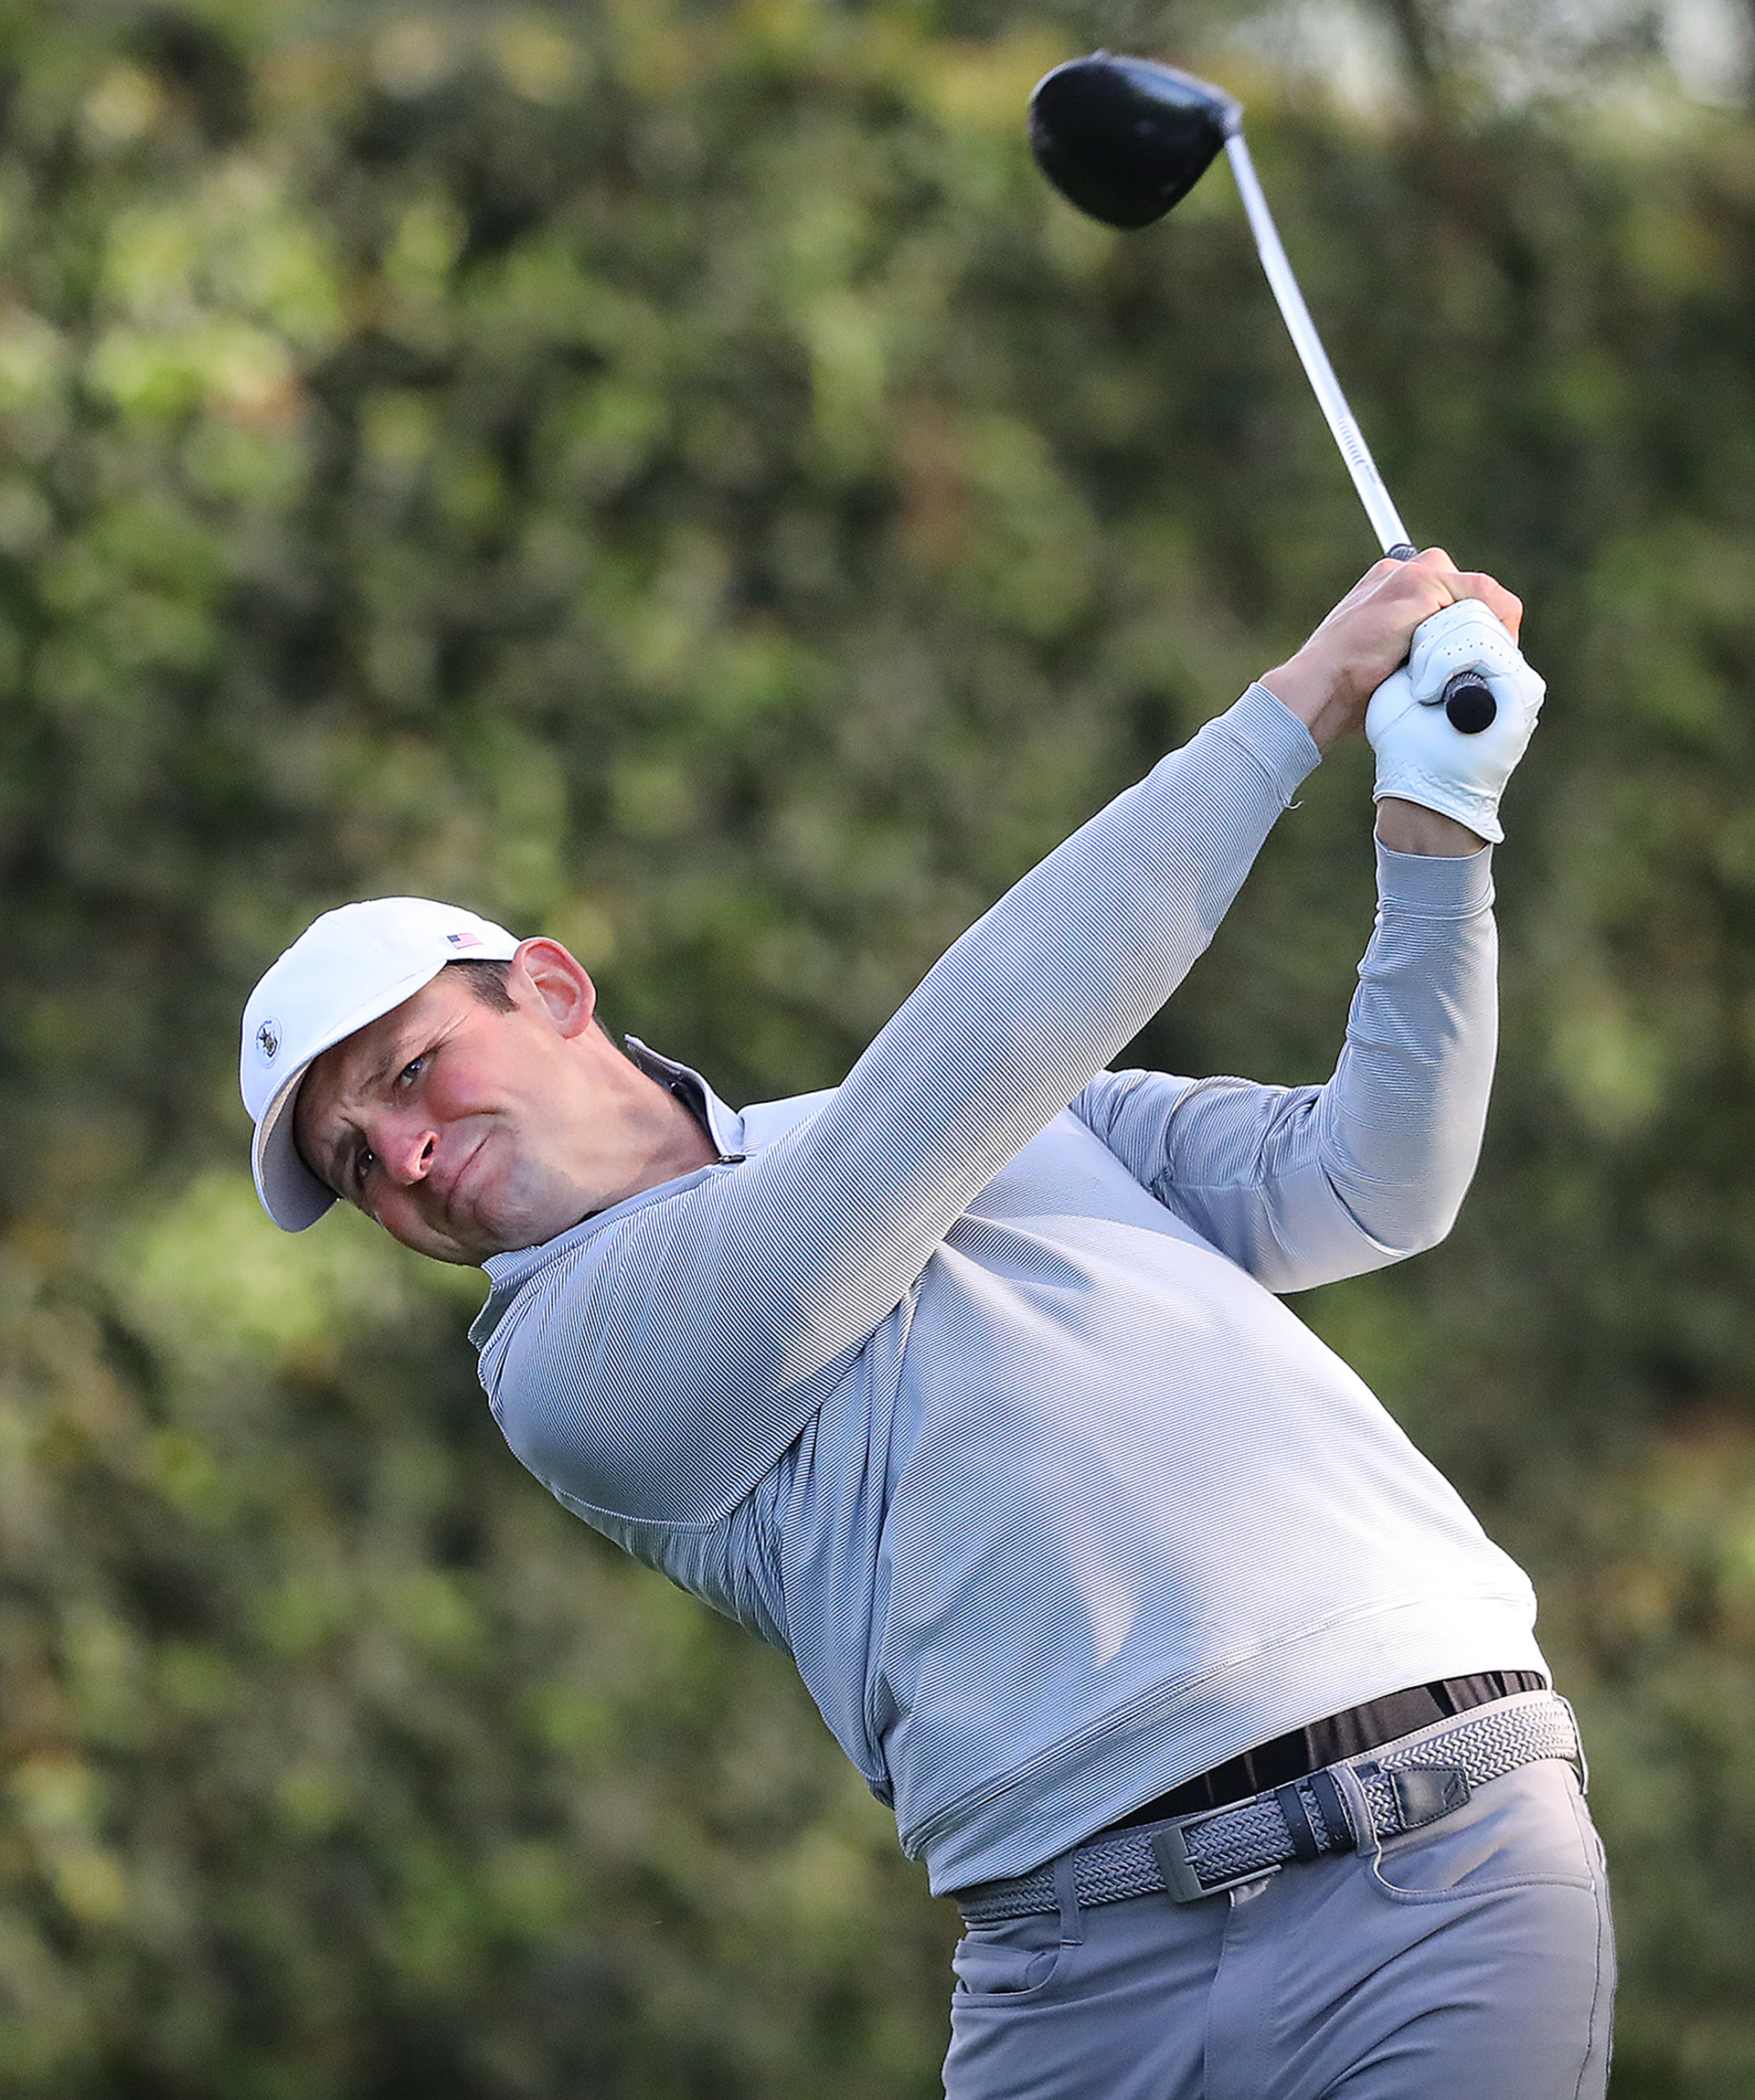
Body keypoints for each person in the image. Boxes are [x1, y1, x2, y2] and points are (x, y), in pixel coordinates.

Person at [239, 552, 1613, 2099]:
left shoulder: (977, 1112)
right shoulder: (566, 1371)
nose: (405, 1156)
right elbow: (931, 1105)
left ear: (551, 992)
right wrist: (1298, 707)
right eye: (358, 1163)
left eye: (412, 1076)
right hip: (1082, 1982)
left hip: (1438, 1861)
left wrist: (1437, 828)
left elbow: (1373, 1186)